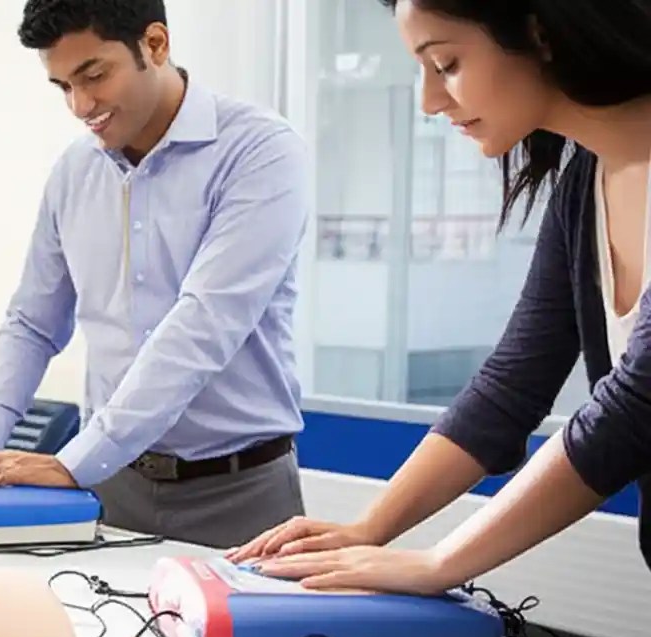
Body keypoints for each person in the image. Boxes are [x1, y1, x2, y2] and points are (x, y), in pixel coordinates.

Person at [230, 0, 651, 594]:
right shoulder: (586, 179)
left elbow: (635, 408)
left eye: (446, 63)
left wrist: (439, 563)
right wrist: (366, 529)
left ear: (540, 32)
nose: (429, 101)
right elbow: (511, 387)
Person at [0, 0, 312, 549]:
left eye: (94, 76)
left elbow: (204, 324)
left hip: (239, 494)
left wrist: (73, 462)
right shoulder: (75, 171)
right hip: (111, 486)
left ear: (156, 44)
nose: (80, 105)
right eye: (62, 87)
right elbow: (32, 322)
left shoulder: (260, 151)